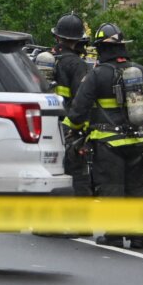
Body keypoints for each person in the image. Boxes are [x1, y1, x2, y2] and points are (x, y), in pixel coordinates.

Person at [66, 23, 143, 249]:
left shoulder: (97, 75)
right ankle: (137, 235)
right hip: (139, 141)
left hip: (109, 143)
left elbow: (79, 109)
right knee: (136, 187)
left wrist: (74, 129)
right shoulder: (141, 71)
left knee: (112, 187)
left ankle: (115, 235)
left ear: (101, 48)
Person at [51, 12, 94, 199]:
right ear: (78, 40)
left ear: (57, 36)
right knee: (78, 178)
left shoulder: (47, 59)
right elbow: (82, 99)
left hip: (45, 127)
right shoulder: (77, 65)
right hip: (70, 131)